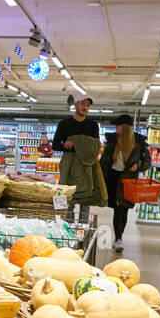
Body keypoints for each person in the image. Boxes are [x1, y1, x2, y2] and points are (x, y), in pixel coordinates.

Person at [99, 113, 152, 252]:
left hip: (128, 180)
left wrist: (138, 166)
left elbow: (147, 162)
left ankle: (119, 237)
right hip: (113, 178)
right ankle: (118, 239)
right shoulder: (112, 141)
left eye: (118, 125)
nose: (116, 127)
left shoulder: (138, 143)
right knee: (118, 210)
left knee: (124, 210)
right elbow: (104, 159)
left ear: (125, 127)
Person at [52, 92, 101, 222]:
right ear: (75, 105)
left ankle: (83, 233)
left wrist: (75, 142)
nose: (85, 107)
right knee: (68, 201)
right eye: (83, 104)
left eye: (88, 105)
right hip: (68, 168)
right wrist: (74, 147)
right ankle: (68, 232)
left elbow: (96, 146)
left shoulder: (93, 125)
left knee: (85, 203)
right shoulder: (64, 124)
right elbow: (55, 145)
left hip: (86, 167)